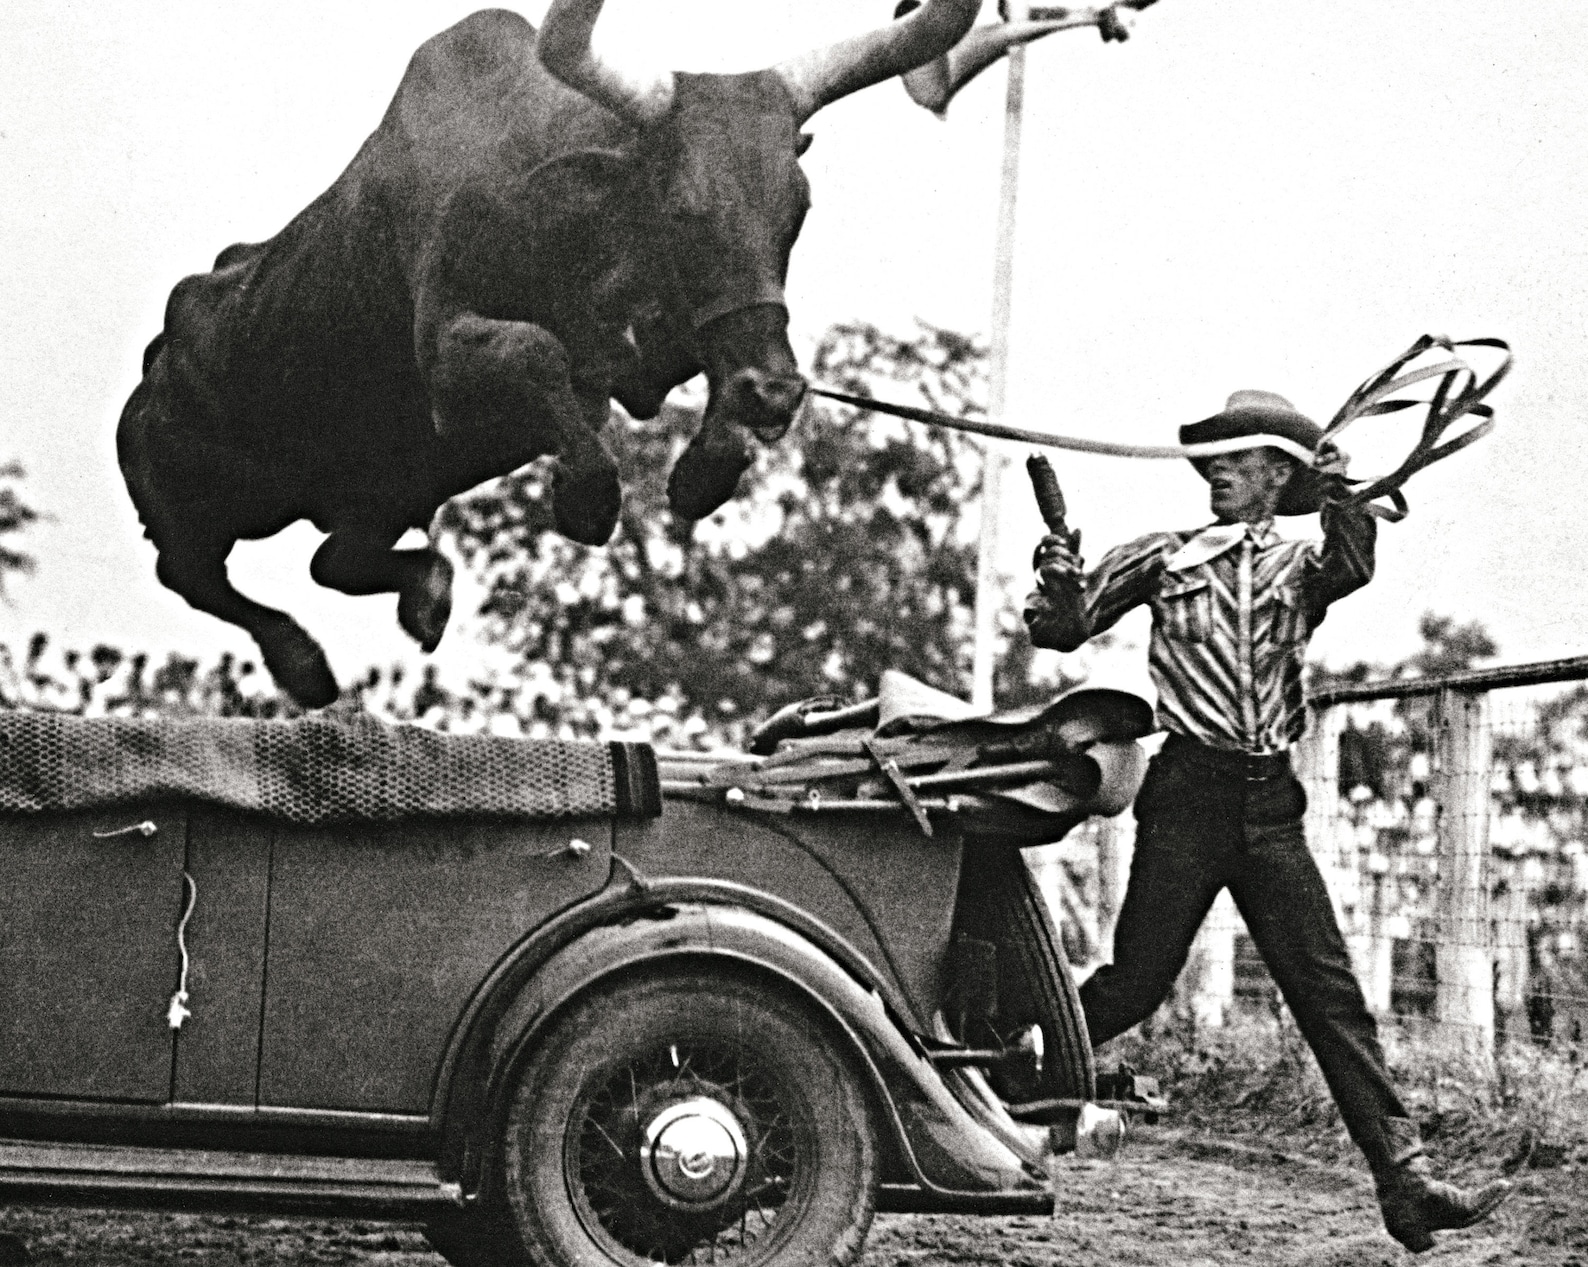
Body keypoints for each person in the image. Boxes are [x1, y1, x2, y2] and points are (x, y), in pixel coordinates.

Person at [1022, 389, 1511, 1254]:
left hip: (1269, 803)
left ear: (1275, 475)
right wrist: (1060, 579)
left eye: (1238, 458)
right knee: (1138, 981)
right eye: (1214, 456)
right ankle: (1005, 1060)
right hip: (1187, 797)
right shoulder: (1163, 559)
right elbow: (1064, 628)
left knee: (1330, 994)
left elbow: (1352, 561)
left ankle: (1406, 1179)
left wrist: (1343, 491)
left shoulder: (1299, 566)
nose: (1216, 468)